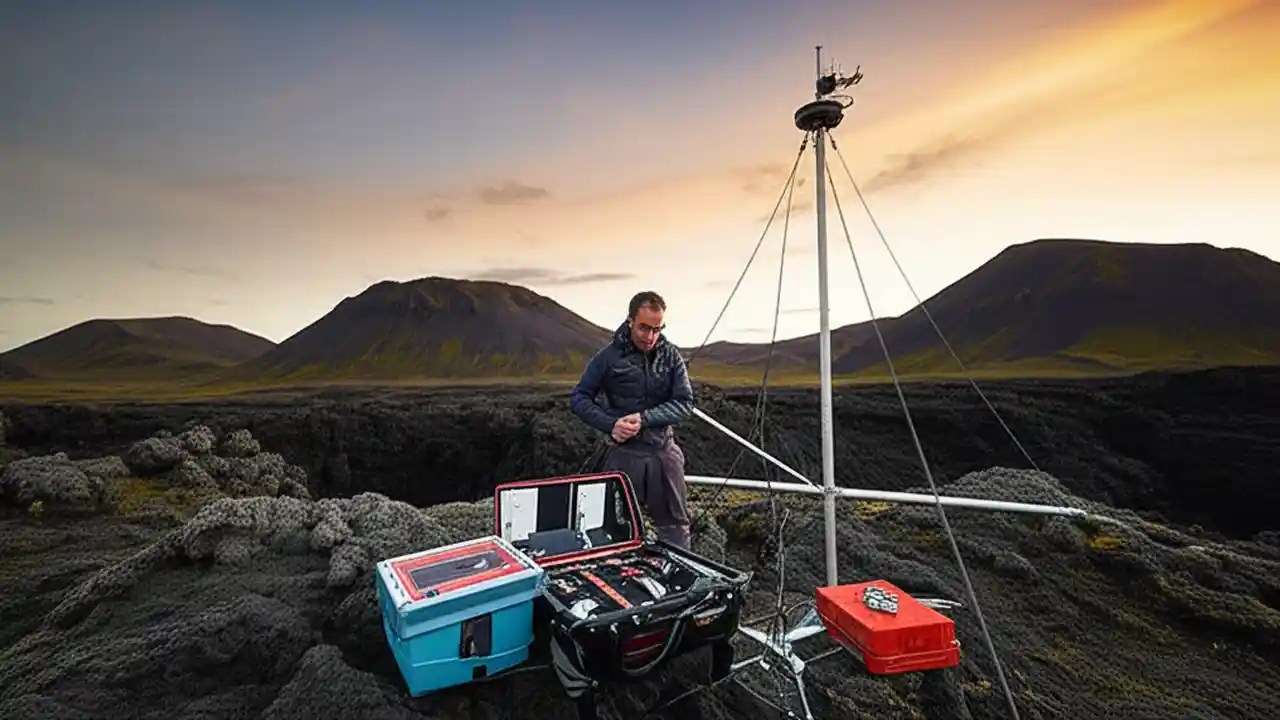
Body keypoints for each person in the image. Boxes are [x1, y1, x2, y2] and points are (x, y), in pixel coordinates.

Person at [570, 291, 694, 550]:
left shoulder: (671, 357)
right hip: (624, 455)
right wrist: (610, 424)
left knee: (675, 527)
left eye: (657, 329)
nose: (650, 336)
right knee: (616, 528)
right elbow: (580, 398)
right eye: (644, 328)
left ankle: (679, 582)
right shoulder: (608, 357)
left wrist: (645, 418)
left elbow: (684, 403)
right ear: (630, 321)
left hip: (664, 453)